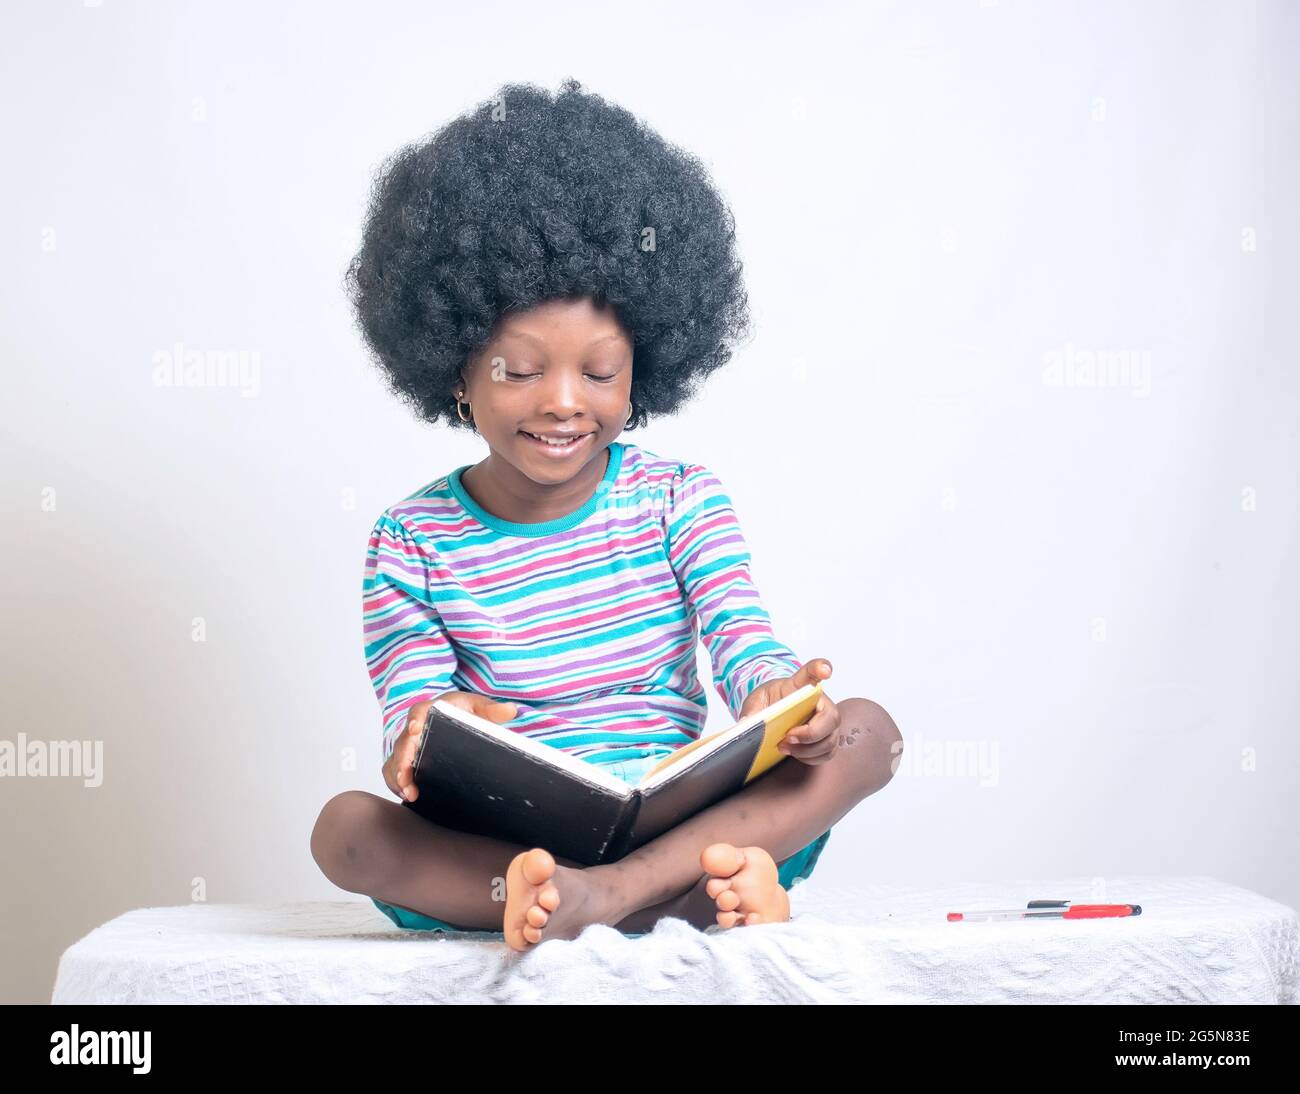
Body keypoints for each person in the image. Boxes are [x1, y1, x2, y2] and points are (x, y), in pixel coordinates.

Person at [311, 79, 903, 952]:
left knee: (866, 732)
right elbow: (415, 695)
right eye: (518, 371)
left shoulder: (677, 498)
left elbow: (742, 635)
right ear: (453, 371)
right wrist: (430, 740)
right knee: (345, 830)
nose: (561, 403)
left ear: (646, 367)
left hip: (679, 811)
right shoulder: (411, 539)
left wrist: (780, 697)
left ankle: (601, 898)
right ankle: (682, 900)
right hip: (518, 839)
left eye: (599, 373)